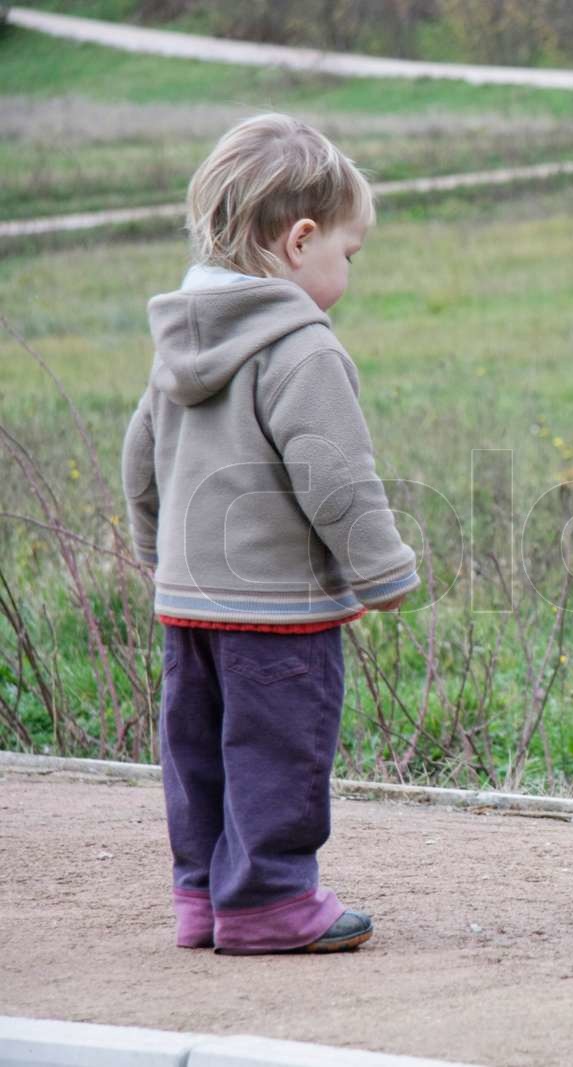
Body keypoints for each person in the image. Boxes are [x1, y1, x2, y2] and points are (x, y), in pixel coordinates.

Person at [121, 114, 419, 953]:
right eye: (347, 255)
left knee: (198, 752)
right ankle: (269, 901)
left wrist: (154, 551)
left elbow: (138, 457)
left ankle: (200, 896)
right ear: (300, 241)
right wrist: (382, 570)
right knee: (278, 749)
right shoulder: (299, 347)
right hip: (276, 609)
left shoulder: (178, 341)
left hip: (187, 603)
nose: (346, 273)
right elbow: (335, 475)